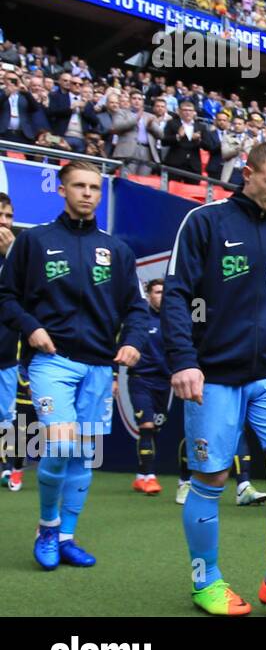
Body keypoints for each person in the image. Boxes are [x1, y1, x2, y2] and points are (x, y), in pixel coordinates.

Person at [163, 142, 266, 616]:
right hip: (212, 374)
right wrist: (183, 360)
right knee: (210, 476)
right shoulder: (204, 222)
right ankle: (206, 580)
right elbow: (176, 295)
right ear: (247, 173)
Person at [0, 161, 147, 570]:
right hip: (52, 361)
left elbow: (135, 308)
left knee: (84, 456)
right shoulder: (34, 242)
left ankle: (66, 536)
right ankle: (47, 527)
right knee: (61, 445)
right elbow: (6, 296)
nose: (87, 194)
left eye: (94, 188)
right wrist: (30, 328)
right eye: (79, 186)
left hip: (99, 367)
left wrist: (133, 342)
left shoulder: (117, 250)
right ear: (61, 191)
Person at [128, 278, 171, 495]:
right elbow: (122, 343)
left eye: (164, 292)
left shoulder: (172, 320)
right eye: (157, 292)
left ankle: (140, 475)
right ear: (148, 295)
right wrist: (116, 377)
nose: (161, 296)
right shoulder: (139, 320)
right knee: (146, 426)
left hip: (164, 383)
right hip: (140, 380)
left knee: (155, 430)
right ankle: (150, 477)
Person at [0, 192, 21, 490]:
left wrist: (11, 255)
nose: (3, 223)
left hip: (6, 356)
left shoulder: (17, 256)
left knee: (5, 416)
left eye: (8, 217)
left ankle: (6, 466)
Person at [160, 100, 205, 183]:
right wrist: (178, 136)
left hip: (193, 166)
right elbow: (164, 141)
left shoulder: (201, 126)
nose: (187, 113)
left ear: (194, 112)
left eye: (190, 110)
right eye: (185, 110)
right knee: (169, 191)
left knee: (191, 193)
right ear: (179, 111)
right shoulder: (172, 123)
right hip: (174, 164)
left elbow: (207, 146)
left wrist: (199, 140)